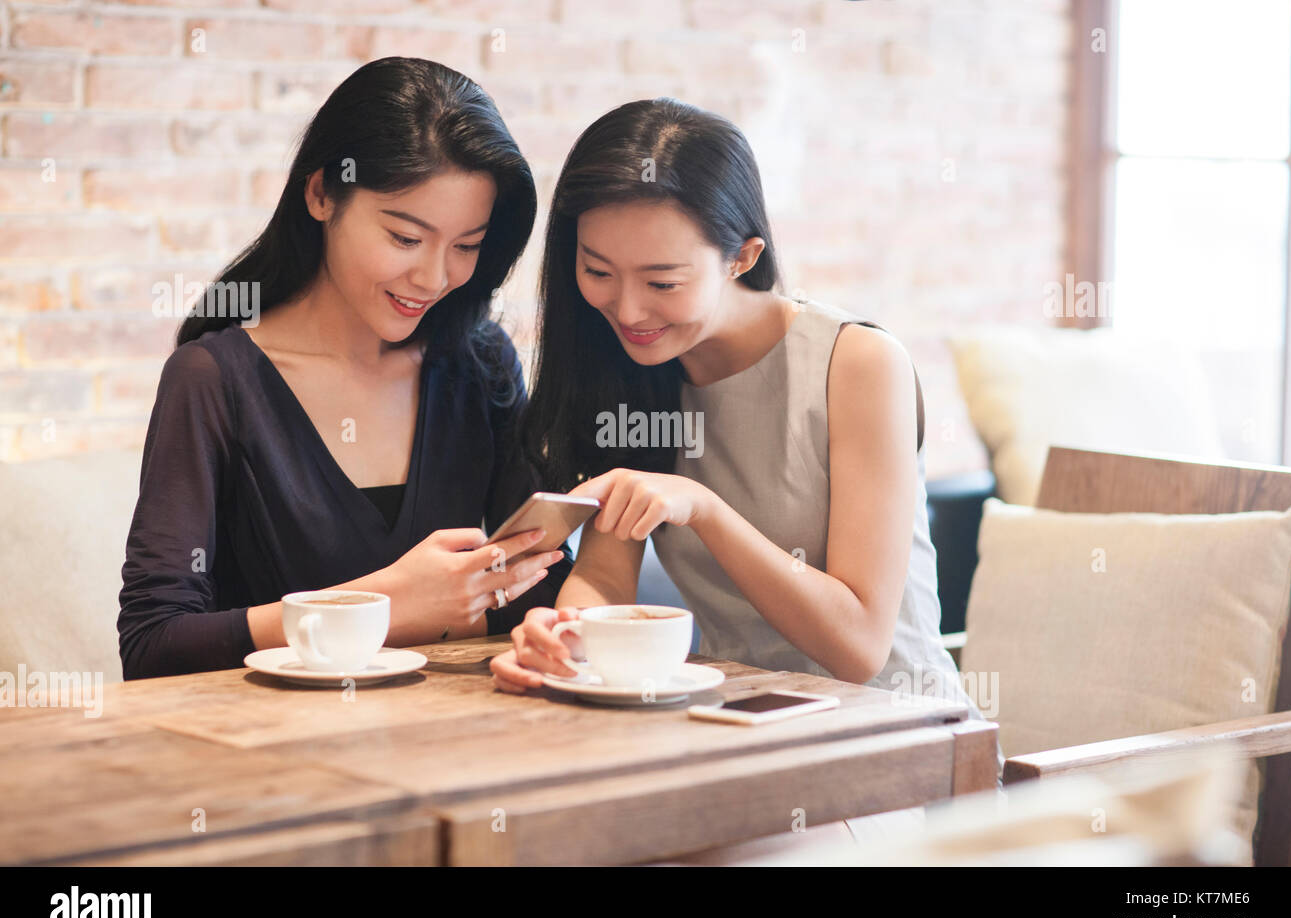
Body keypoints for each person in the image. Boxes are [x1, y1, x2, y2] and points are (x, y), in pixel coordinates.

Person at [489, 97, 996, 770]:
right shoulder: (629, 366)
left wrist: (703, 508)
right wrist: (567, 633)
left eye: (662, 280)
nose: (627, 307)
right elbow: (606, 577)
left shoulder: (857, 365)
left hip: (902, 741)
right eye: (597, 271)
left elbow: (859, 646)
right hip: (740, 737)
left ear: (741, 256)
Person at [118, 57, 570, 679]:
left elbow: (540, 580)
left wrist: (544, 629)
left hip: (462, 741)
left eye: (466, 246)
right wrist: (385, 605)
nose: (434, 278)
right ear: (322, 192)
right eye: (406, 238)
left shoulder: (478, 360)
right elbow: (153, 645)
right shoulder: (213, 380)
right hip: (272, 755)